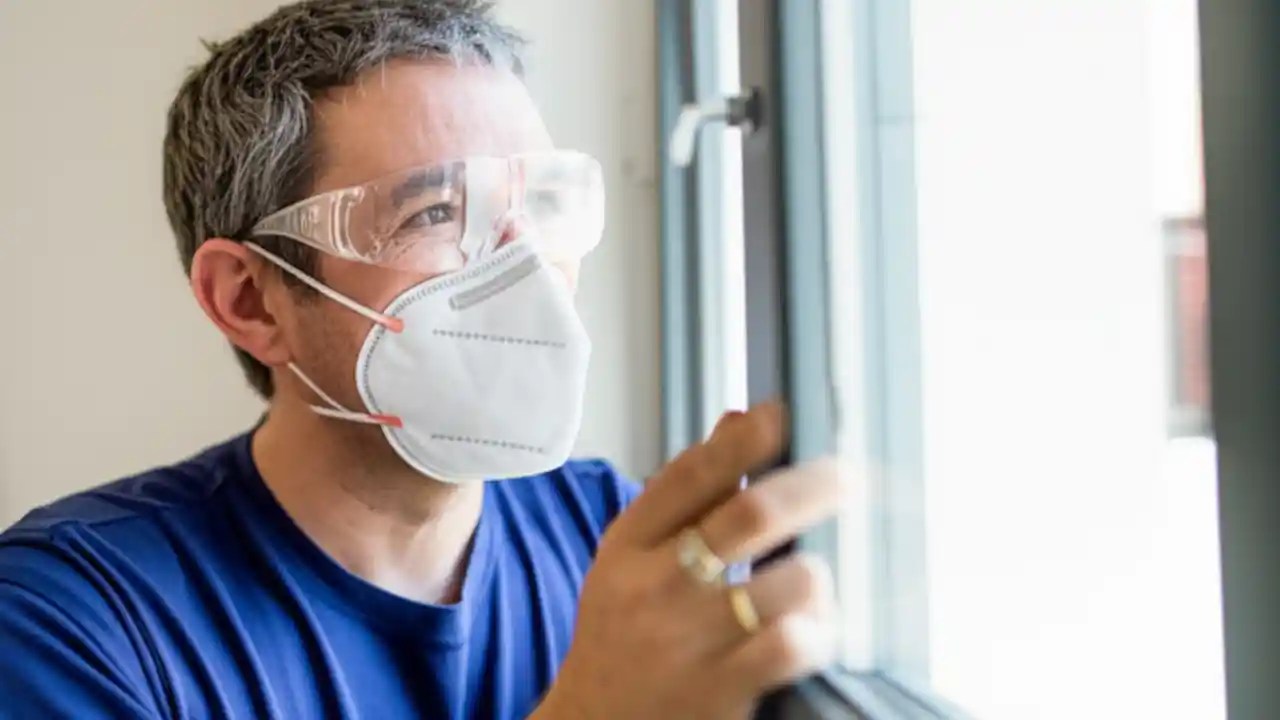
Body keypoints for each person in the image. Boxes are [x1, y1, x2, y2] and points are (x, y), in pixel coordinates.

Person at [0, 1, 843, 717]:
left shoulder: (621, 544)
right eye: (438, 211)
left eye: (540, 204)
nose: (529, 265)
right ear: (250, 300)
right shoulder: (74, 617)